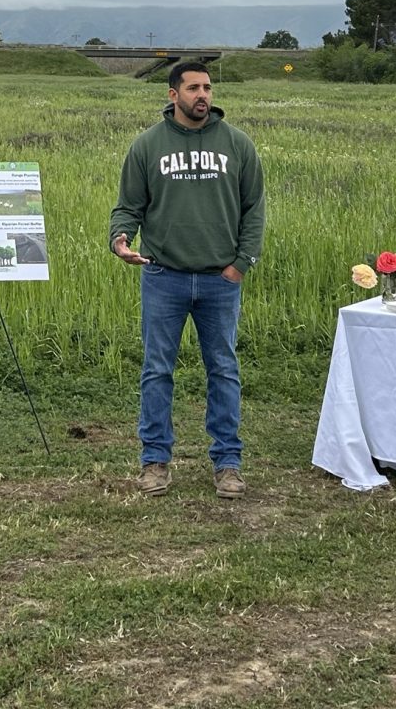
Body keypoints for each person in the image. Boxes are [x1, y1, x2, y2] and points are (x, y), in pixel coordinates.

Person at [109, 61, 265, 499]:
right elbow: (128, 206)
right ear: (173, 93)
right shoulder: (148, 146)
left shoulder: (237, 145)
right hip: (164, 277)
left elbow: (254, 209)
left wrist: (240, 264)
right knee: (157, 370)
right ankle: (155, 461)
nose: (204, 95)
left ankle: (228, 463)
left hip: (221, 280)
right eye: (194, 88)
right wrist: (119, 239)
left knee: (224, 369)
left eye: (208, 88)